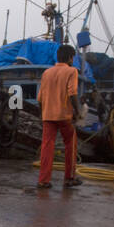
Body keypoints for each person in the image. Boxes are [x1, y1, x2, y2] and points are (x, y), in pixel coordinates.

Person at [36, 44, 82, 189]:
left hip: (48, 115)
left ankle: (43, 180)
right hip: (64, 115)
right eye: (72, 57)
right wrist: (78, 112)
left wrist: (42, 113)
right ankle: (69, 178)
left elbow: (40, 98)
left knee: (47, 146)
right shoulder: (72, 71)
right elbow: (72, 93)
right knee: (70, 144)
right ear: (70, 58)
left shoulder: (46, 73)